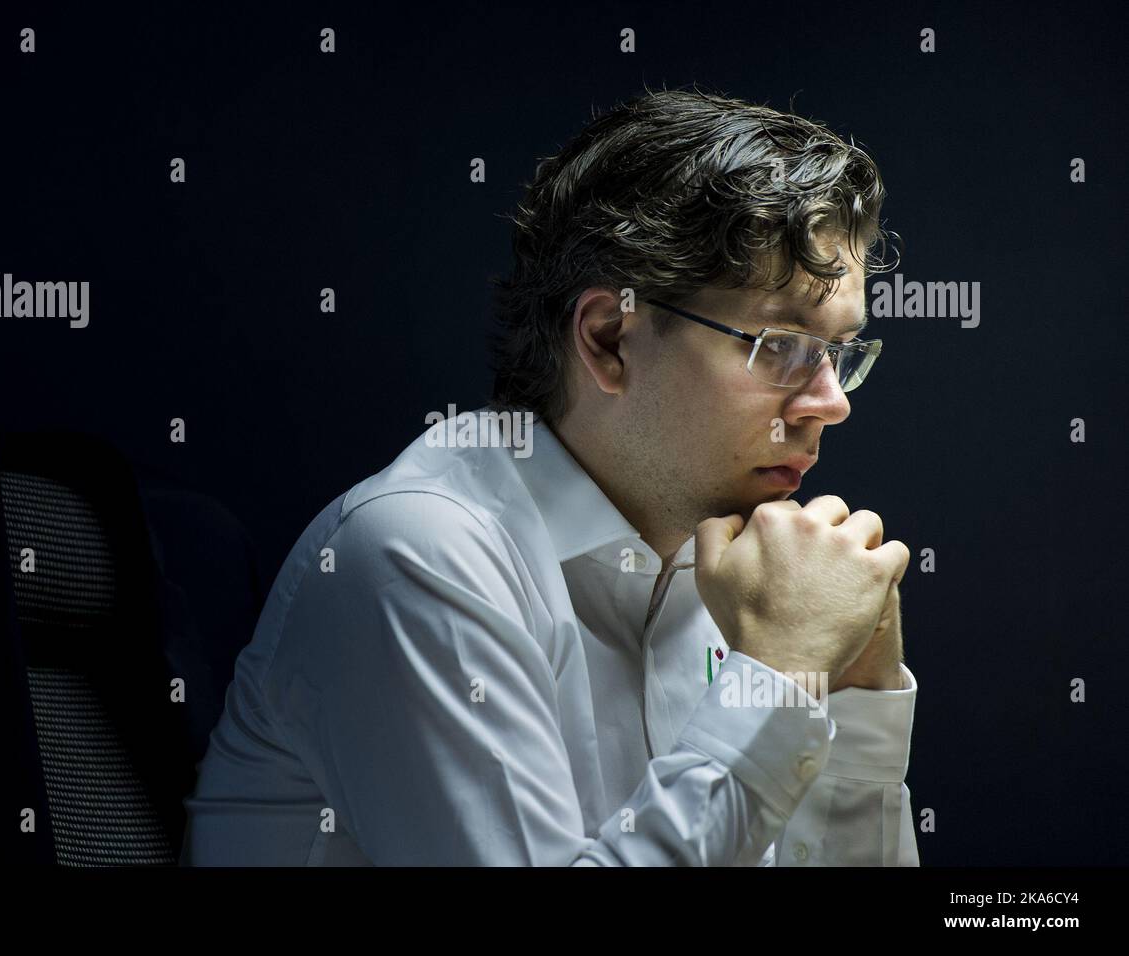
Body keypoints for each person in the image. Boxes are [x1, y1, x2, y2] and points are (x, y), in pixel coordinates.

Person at [180, 85, 918, 866]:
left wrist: (857, 697)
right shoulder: (417, 555)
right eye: (780, 344)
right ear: (607, 339)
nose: (831, 403)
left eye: (840, 352)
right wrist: (778, 674)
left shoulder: (738, 577)